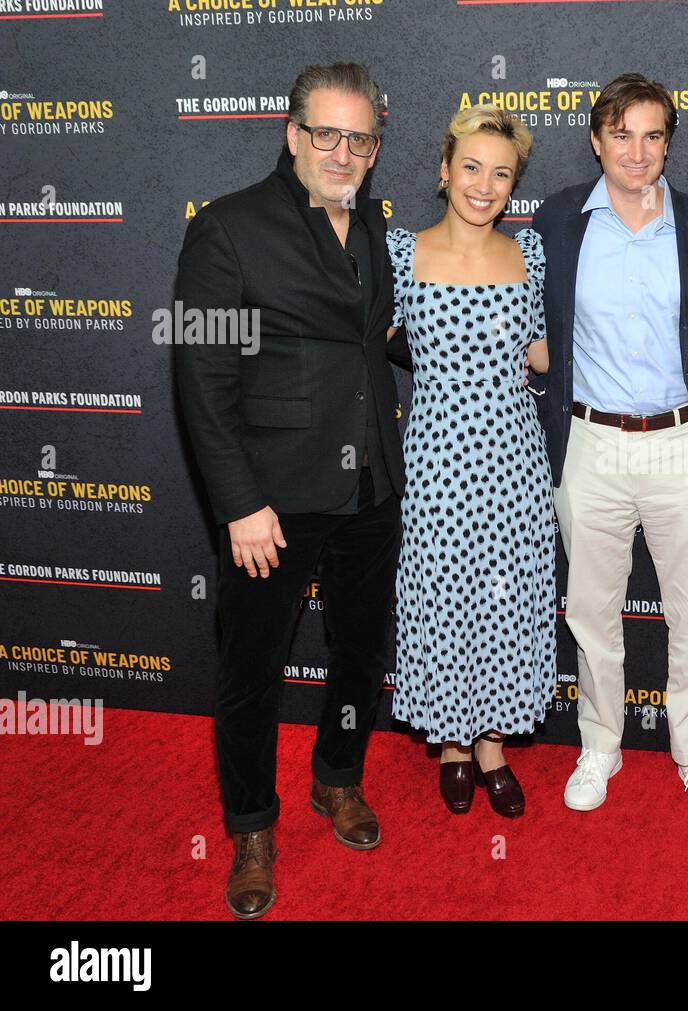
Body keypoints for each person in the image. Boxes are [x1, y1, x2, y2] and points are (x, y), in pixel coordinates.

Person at [174, 62, 402, 920]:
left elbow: (370, 339)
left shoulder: (373, 223)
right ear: (292, 132)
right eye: (327, 135)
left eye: (361, 139)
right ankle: (252, 825)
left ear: (376, 146)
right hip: (272, 499)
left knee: (358, 651)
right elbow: (200, 373)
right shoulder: (228, 228)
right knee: (252, 670)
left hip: (372, 484)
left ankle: (338, 778)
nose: (344, 153)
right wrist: (238, 501)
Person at [530, 73, 688, 820]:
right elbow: (526, 322)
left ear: (669, 141)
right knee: (591, 611)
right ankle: (600, 744)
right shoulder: (558, 222)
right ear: (595, 140)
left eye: (651, 135)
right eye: (621, 134)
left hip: (685, 442)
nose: (637, 151)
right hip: (589, 440)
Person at [385, 104, 554, 820]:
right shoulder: (400, 252)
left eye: (502, 174)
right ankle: (453, 745)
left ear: (515, 184)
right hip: (437, 461)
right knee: (445, 595)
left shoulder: (530, 254)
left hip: (513, 460)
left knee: (505, 596)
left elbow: (542, 353)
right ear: (444, 170)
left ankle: (492, 745)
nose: (484, 185)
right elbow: (379, 340)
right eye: (472, 167)